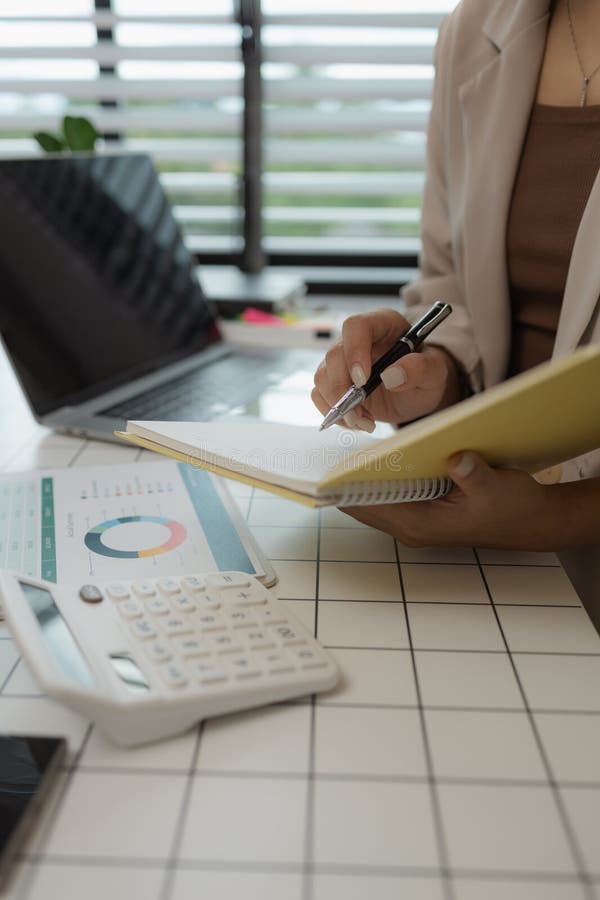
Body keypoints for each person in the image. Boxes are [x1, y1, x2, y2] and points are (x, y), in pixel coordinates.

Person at [311, 0, 600, 629]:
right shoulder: (474, 29)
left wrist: (561, 515)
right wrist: (434, 376)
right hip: (502, 568)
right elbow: (453, 291)